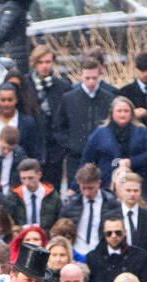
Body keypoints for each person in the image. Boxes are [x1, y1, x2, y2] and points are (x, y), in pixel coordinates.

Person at [54, 56, 115, 186]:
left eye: (94, 78)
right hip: (76, 156)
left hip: (101, 156)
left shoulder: (109, 98)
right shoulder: (69, 98)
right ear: (80, 75)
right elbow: (59, 126)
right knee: (76, 190)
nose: (91, 82)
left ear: (100, 75)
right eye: (87, 78)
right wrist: (70, 145)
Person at [81, 96, 147, 188]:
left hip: (136, 181)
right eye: (119, 111)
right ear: (112, 113)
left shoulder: (141, 131)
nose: (122, 114)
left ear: (131, 113)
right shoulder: (100, 133)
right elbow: (87, 159)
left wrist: (132, 162)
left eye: (126, 111)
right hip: (107, 182)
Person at [28, 46, 71, 187]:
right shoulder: (26, 85)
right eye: (40, 62)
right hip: (33, 145)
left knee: (53, 189)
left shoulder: (62, 86)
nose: (45, 66)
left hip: (55, 149)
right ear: (35, 64)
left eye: (48, 62)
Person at [86, 215, 147, 282]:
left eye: (118, 232)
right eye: (109, 233)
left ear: (125, 232)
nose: (113, 236)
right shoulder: (93, 258)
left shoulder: (140, 255)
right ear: (104, 234)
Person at [61, 162, 120, 257]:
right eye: (83, 188)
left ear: (98, 183)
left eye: (90, 188)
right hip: (76, 252)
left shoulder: (111, 204)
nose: (87, 193)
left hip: (101, 253)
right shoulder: (71, 205)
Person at [0, 82, 42, 162]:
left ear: (16, 100)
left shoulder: (27, 122)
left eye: (10, 100)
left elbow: (34, 151)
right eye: (3, 100)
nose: (6, 104)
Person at [115, 172, 147, 266]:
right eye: (128, 190)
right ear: (120, 191)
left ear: (140, 191)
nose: (132, 194)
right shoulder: (111, 216)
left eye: (135, 190)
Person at [4, 158, 60, 229]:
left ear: (39, 175)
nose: (27, 183)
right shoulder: (14, 196)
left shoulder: (52, 195)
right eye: (23, 178)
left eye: (30, 178)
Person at [0, 0, 33, 74]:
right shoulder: (8, 5)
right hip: (12, 54)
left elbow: (3, 30)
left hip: (11, 55)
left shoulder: (11, 6)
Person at [0, 126, 27, 193]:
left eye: (10, 149)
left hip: (9, 196)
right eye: (3, 148)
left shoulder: (19, 156)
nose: (6, 152)